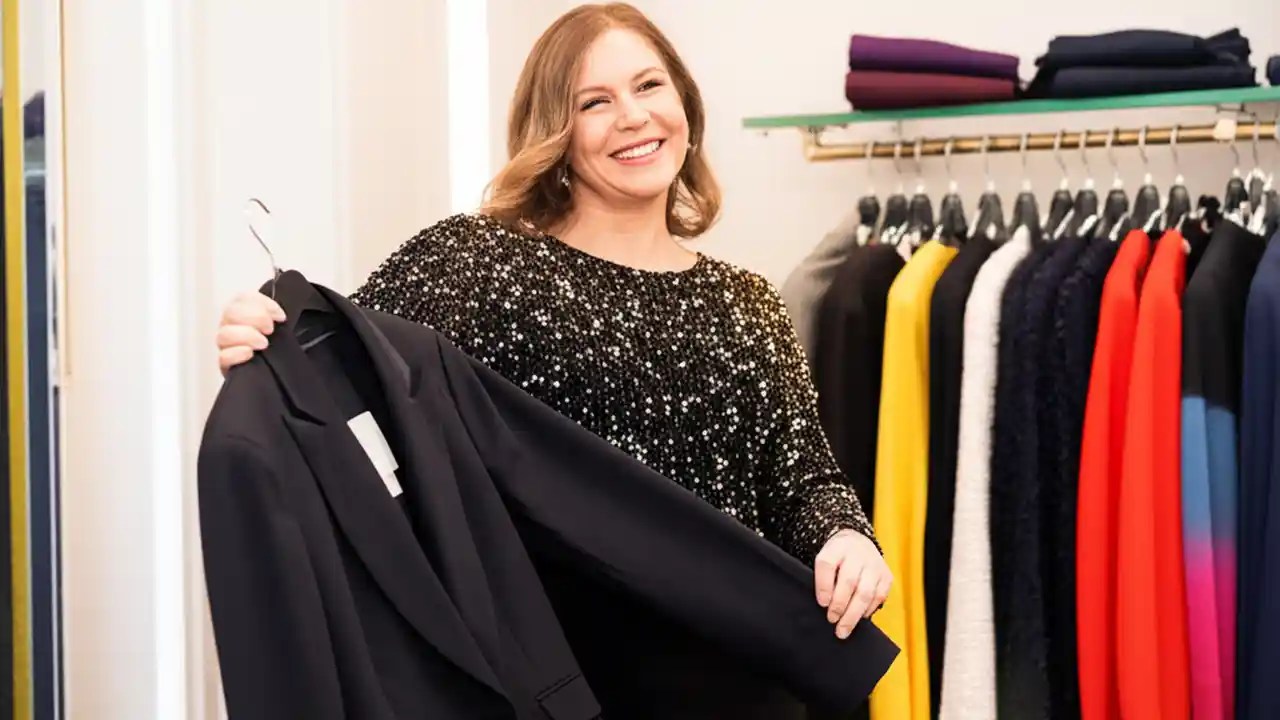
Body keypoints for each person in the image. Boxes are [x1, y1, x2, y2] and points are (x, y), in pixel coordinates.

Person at [214, 2, 890, 714]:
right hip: (557, 683)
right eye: (595, 102)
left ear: (685, 105)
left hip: (734, 682)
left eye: (649, 86)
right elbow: (342, 366)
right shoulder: (475, 264)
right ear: (555, 133)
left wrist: (846, 534)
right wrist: (263, 342)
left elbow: (801, 477)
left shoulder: (746, 302)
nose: (633, 116)